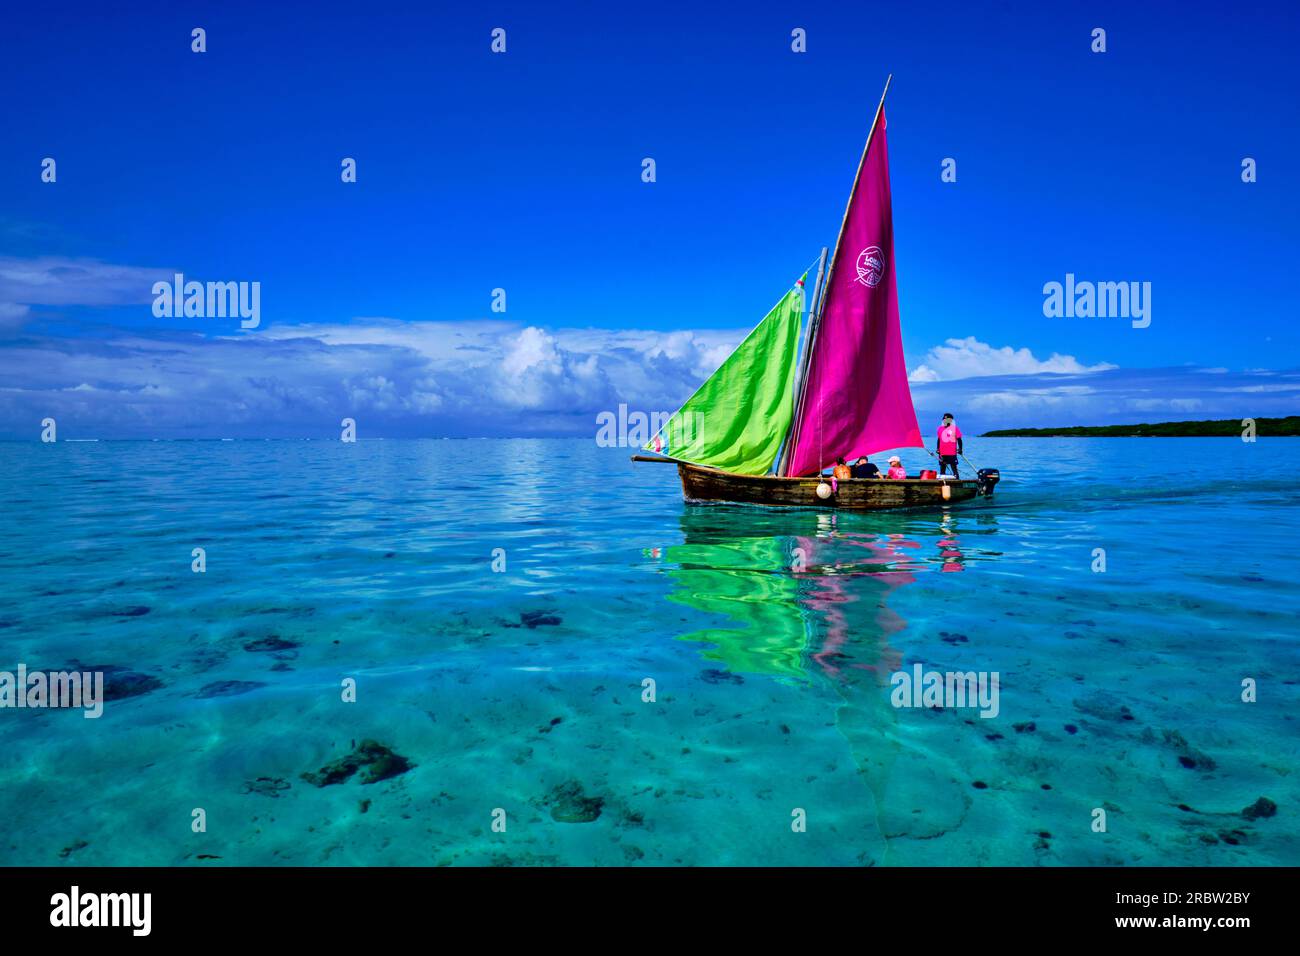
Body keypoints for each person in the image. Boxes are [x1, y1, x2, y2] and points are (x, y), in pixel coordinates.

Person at [936, 412, 963, 478]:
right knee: (942, 469)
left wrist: (960, 449)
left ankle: (957, 482)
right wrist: (937, 449)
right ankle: (943, 484)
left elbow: (959, 439)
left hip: (952, 453)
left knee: (954, 468)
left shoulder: (955, 428)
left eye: (947, 419)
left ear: (951, 420)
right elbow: (939, 440)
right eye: (944, 419)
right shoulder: (940, 428)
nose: (945, 421)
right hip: (942, 453)